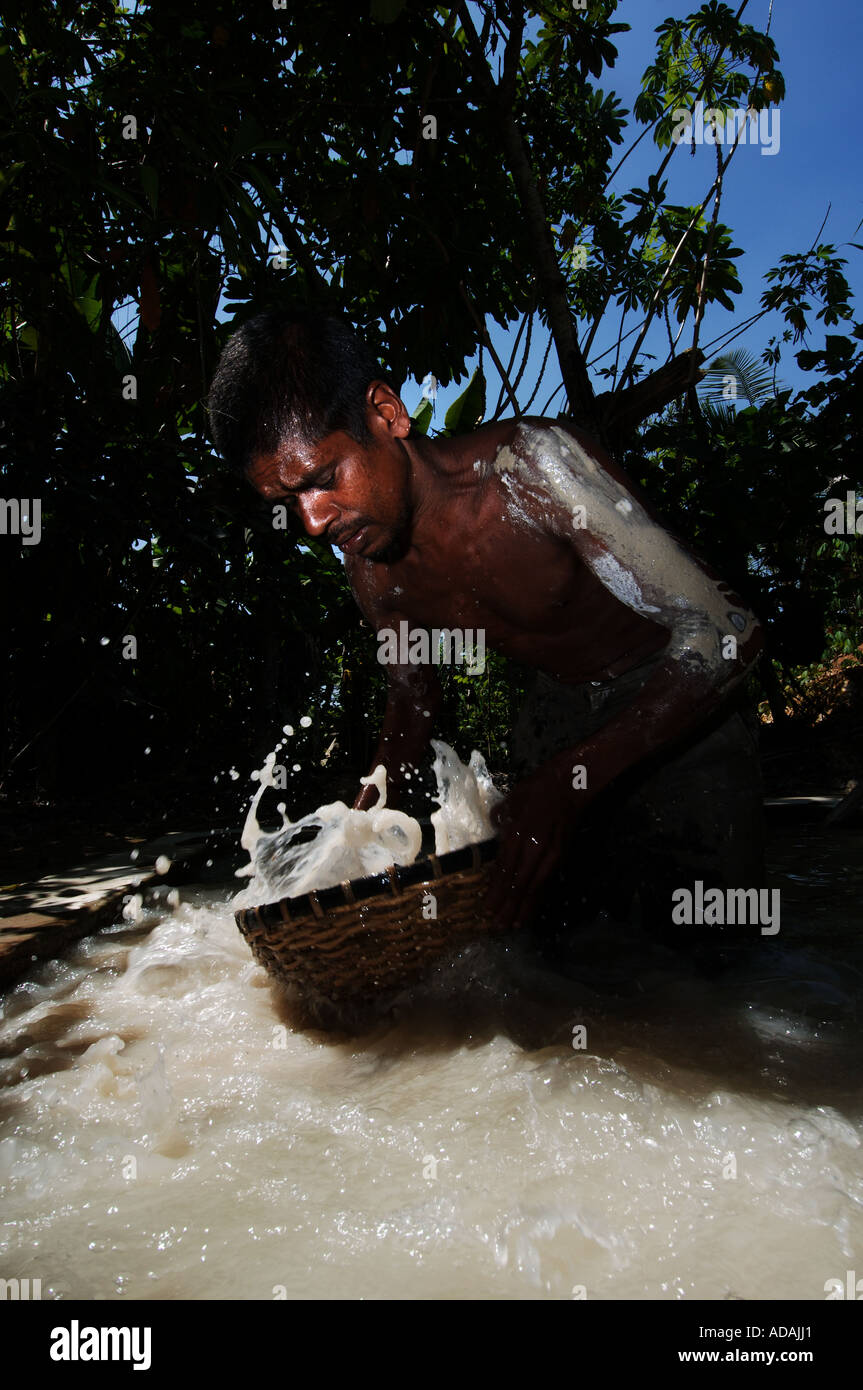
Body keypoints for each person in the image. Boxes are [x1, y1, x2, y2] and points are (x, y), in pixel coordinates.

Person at [208, 309, 765, 951]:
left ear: (387, 414)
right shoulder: (371, 570)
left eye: (324, 480)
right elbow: (413, 699)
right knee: (556, 960)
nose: (311, 522)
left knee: (717, 960)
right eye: (288, 503)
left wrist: (568, 783)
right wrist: (352, 836)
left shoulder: (534, 468)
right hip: (556, 719)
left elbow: (729, 632)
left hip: (680, 705)